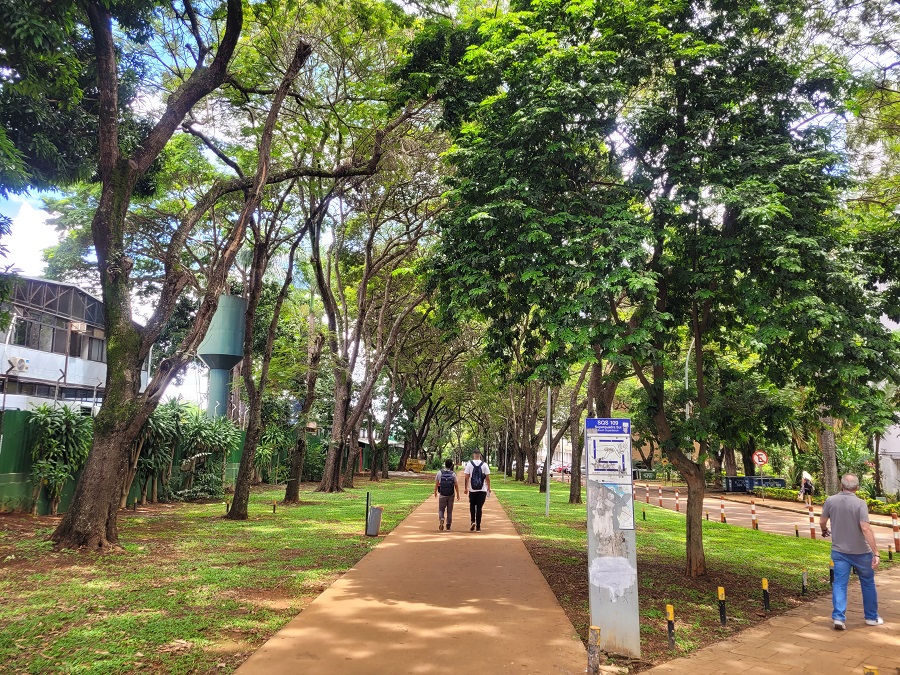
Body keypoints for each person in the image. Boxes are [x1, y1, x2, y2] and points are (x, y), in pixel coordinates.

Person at [819, 474, 883, 630]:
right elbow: (865, 528)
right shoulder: (860, 503)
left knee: (840, 584)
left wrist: (825, 530)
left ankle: (838, 618)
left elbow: (822, 521)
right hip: (861, 552)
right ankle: (871, 617)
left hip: (839, 552)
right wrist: (876, 552)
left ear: (841, 485)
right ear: (857, 487)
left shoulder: (830, 500)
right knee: (867, 583)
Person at [464, 450, 491, 531]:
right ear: (480, 455)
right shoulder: (485, 465)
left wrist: (466, 488)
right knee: (479, 508)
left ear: (473, 455)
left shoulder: (469, 464)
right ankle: (478, 527)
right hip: (482, 490)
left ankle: (473, 521)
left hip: (472, 490)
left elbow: (466, 477)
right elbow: (488, 478)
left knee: (472, 505)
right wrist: (489, 488)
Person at [433, 459, 460, 531]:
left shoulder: (439, 472)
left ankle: (441, 518)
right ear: (451, 465)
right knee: (449, 511)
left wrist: (435, 492)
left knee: (441, 509)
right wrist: (458, 494)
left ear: (445, 464)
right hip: (451, 494)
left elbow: (436, 483)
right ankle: (448, 526)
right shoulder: (453, 474)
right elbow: (456, 485)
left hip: (442, 494)